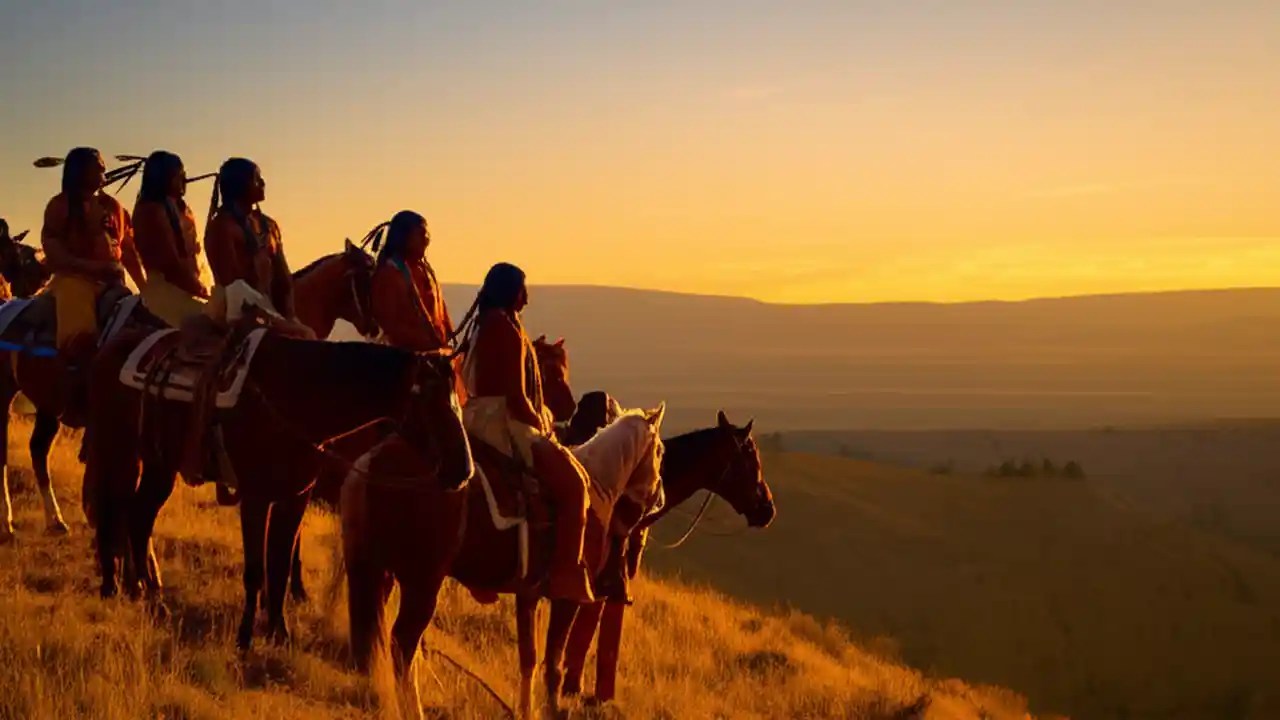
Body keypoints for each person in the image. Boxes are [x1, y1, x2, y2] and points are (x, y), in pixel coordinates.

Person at [457, 263, 595, 603]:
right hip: (501, 422)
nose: (527, 299)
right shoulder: (504, 328)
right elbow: (516, 399)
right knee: (575, 485)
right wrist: (542, 422)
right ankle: (565, 571)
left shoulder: (481, 325)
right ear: (511, 291)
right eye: (523, 290)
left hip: (477, 415)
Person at [39, 147, 145, 366]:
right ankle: (73, 376)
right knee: (80, 341)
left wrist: (146, 289)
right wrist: (95, 268)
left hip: (113, 284)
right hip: (74, 282)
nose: (103, 169)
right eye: (96, 166)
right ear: (79, 171)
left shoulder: (114, 207)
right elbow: (57, 257)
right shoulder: (59, 206)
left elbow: (128, 252)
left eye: (102, 166)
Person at [203, 158, 313, 339]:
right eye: (256, 178)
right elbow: (235, 290)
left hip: (268, 311)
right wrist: (283, 325)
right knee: (305, 335)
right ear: (239, 184)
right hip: (237, 311)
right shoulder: (222, 227)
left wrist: (290, 315)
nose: (262, 183)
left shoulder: (269, 226)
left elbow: (283, 278)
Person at [131, 151, 209, 327]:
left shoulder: (182, 210)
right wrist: (200, 290)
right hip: (165, 293)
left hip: (187, 289)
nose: (184, 180)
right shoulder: (151, 210)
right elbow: (169, 264)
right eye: (178, 175)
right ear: (163, 177)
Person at [369, 210, 453, 351]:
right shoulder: (389, 274)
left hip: (435, 360)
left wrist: (447, 342)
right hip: (402, 363)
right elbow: (390, 325)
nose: (426, 239)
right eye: (420, 234)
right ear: (403, 237)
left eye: (426, 235)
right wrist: (425, 342)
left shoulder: (427, 273)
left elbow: (442, 318)